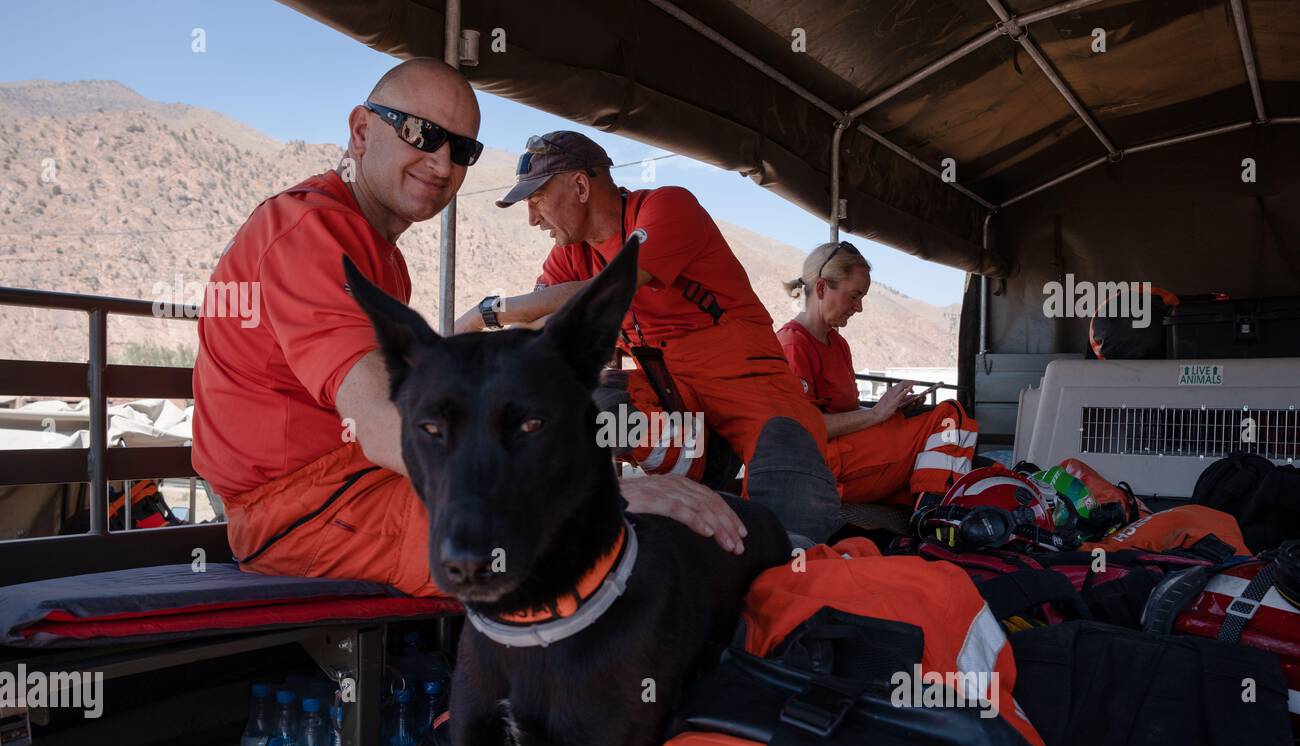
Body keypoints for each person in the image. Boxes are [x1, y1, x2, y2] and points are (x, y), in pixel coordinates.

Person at [192, 61, 750, 597]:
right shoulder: (310, 231)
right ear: (361, 131)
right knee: (582, 552)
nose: (441, 164)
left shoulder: (380, 255)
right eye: (420, 133)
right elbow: (384, 424)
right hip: (307, 510)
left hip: (362, 483)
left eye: (462, 150)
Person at [455, 131, 842, 544]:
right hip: (679, 403)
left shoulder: (668, 207)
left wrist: (485, 313)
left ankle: (787, 553)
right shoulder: (569, 254)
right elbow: (540, 323)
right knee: (592, 402)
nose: (533, 219)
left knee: (794, 529)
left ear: (581, 186)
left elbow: (607, 290)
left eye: (536, 200)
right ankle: (685, 485)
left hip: (751, 388)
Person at [777, 241, 978, 509]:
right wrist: (875, 414)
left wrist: (891, 408)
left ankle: (933, 502)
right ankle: (935, 513)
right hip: (821, 466)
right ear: (823, 288)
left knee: (938, 429)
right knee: (950, 417)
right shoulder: (793, 344)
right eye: (854, 295)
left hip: (851, 453)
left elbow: (845, 412)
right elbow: (801, 427)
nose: (858, 307)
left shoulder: (837, 344)